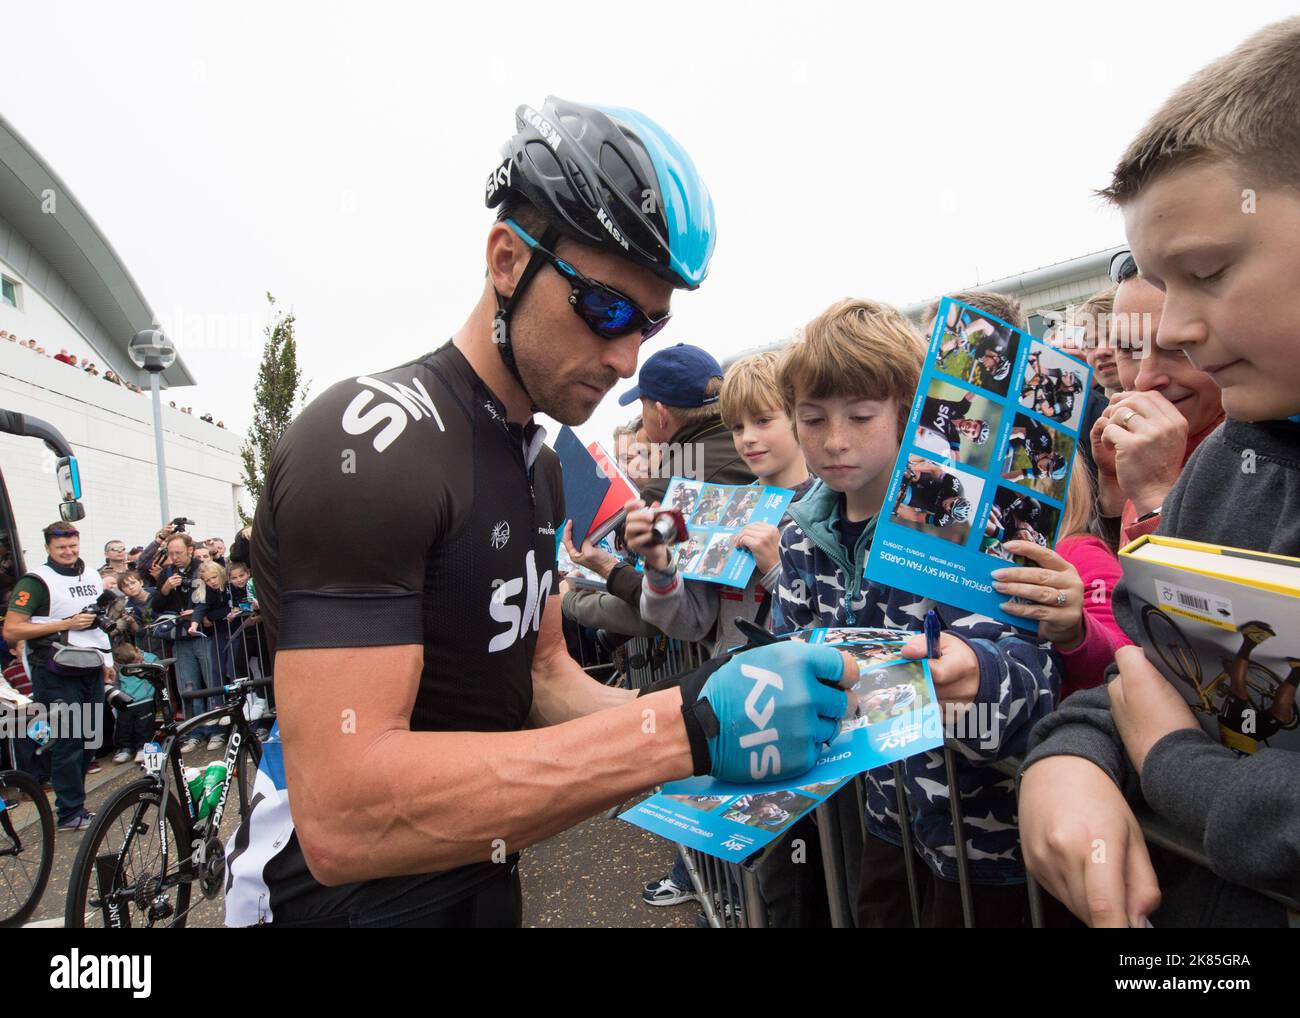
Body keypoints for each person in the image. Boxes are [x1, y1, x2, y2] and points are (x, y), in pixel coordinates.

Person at [225, 96, 856, 929]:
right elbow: (346, 812)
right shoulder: (370, 445)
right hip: (332, 904)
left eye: (653, 322)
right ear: (505, 260)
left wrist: (736, 719)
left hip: (475, 879)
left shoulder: (539, 469)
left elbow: (544, 678)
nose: (628, 355)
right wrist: (683, 726)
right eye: (606, 309)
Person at [1019, 16, 1300, 927]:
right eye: (1156, 282)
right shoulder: (1229, 465)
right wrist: (1067, 765)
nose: (1171, 329)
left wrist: (1173, 766)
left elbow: (1179, 738)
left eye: (1207, 270)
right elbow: (1143, 676)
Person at [772, 298, 1060, 928]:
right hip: (884, 820)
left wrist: (976, 673)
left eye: (861, 415)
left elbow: (1035, 675)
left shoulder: (961, 519)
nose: (835, 440)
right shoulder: (797, 535)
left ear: (908, 412)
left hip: (988, 841)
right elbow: (785, 649)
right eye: (813, 419)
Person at [1090, 248, 1224, 550]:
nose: (1145, 379)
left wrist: (1156, 498)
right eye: (1129, 349)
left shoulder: (1270, 461)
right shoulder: (1136, 452)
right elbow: (1129, 585)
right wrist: (1114, 487)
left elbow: (1219, 595)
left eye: (1177, 347)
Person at [1, 522, 112, 831]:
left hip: (90, 666)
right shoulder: (35, 581)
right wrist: (65, 624)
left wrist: (107, 659)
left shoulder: (90, 575)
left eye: (73, 545)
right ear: (48, 547)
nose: (68, 552)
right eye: (61, 547)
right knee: (69, 740)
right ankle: (70, 812)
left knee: (90, 739)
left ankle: (75, 805)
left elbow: (97, 622)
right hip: (54, 671)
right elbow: (12, 629)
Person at [151, 533, 222, 753]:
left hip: (204, 635)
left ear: (190, 550)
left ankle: (217, 730)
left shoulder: (204, 567)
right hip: (181, 637)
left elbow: (219, 596)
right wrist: (164, 589)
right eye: (171, 554)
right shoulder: (167, 572)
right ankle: (195, 731)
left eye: (178, 553)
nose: (174, 558)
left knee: (211, 682)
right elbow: (156, 606)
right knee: (188, 685)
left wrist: (203, 614)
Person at [109, 643, 158, 765]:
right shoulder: (117, 666)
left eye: (136, 659)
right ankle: (126, 749)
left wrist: (145, 661)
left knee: (144, 727)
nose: (135, 663)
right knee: (124, 727)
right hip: (126, 701)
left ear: (137, 650)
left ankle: (143, 748)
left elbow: (160, 668)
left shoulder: (149, 658)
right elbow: (114, 682)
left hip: (145, 699)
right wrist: (115, 698)